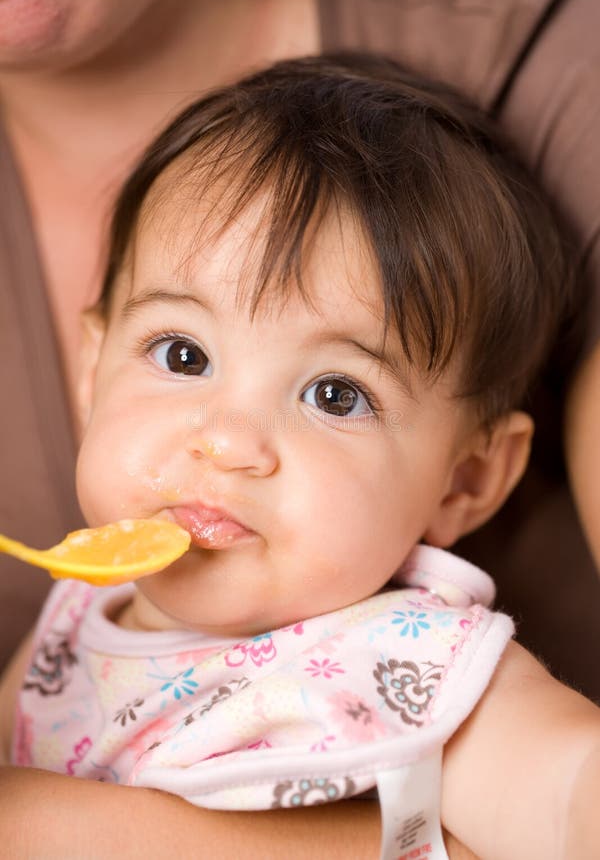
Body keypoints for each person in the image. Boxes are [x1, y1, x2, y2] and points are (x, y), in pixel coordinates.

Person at [2, 54, 599, 860]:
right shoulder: (75, 621)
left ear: (466, 479)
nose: (227, 442)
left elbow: (571, 795)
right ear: (90, 374)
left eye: (335, 396)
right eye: (182, 356)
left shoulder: (408, 659)